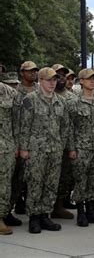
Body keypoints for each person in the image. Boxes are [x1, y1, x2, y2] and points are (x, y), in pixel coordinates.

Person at [18, 67, 71, 234]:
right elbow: (24, 126)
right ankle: (34, 218)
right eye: (49, 80)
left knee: (51, 184)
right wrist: (24, 148)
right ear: (40, 81)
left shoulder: (60, 101)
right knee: (35, 183)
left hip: (55, 150)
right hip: (36, 151)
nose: (52, 83)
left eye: (54, 80)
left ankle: (45, 215)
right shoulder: (30, 99)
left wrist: (61, 145)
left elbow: (65, 127)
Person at [67, 69, 94, 227]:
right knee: (80, 181)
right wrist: (71, 148)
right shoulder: (73, 102)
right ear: (81, 81)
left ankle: (91, 211)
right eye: (89, 78)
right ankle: (81, 212)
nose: (92, 81)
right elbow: (69, 127)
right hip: (81, 148)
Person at [10, 61, 39, 219]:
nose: (32, 74)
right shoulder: (16, 92)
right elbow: (13, 119)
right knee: (17, 177)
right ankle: (11, 207)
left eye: (35, 71)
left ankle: (30, 206)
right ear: (22, 73)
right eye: (29, 71)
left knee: (32, 178)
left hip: (36, 140)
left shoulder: (40, 90)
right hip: (20, 138)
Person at [50, 64, 76, 220]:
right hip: (48, 145)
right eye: (57, 75)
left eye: (63, 75)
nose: (61, 78)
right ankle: (41, 210)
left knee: (64, 177)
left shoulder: (72, 97)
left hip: (67, 144)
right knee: (47, 178)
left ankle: (58, 206)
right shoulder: (46, 94)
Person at [0, 79, 18, 235]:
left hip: (5, 147)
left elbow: (18, 122)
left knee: (4, 185)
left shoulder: (10, 92)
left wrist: (17, 145)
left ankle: (1, 216)